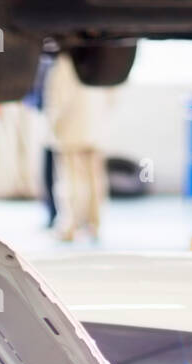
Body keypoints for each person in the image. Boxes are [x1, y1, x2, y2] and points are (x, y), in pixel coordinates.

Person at [44, 54, 107, 241]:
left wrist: (53, 127)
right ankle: (94, 224)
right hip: (95, 129)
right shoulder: (103, 61)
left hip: (70, 130)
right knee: (95, 180)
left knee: (69, 181)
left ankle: (69, 226)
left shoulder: (63, 64)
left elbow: (57, 100)